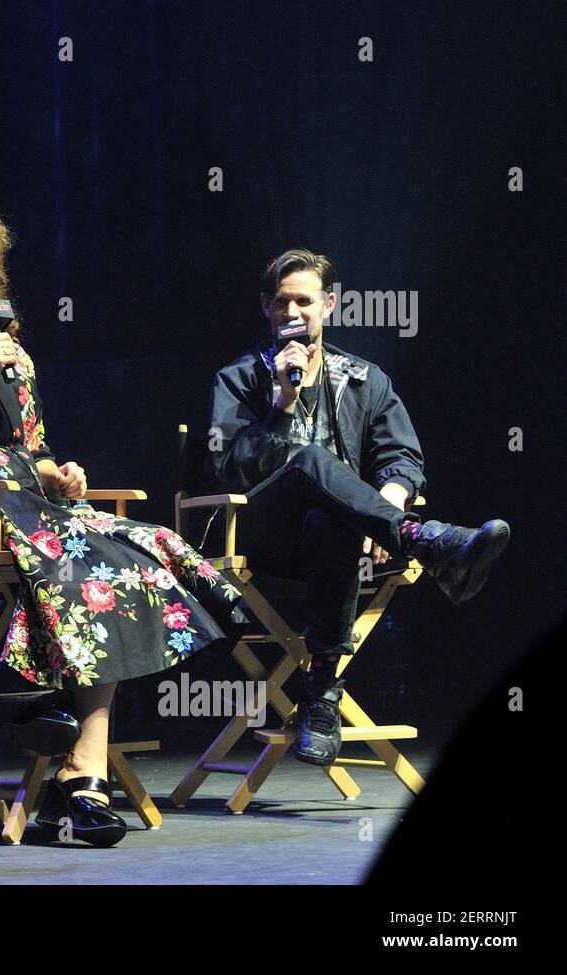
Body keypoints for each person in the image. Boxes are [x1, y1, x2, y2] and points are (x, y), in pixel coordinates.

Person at [0, 192, 245, 846]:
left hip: (32, 505)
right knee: (87, 570)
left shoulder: (15, 349)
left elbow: (34, 449)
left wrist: (57, 471)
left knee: (137, 549)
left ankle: (78, 770)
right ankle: (74, 772)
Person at [208, 248, 509, 765]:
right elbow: (231, 469)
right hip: (261, 536)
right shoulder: (238, 378)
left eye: (304, 301)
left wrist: (384, 502)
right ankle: (425, 541)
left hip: (340, 541)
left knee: (331, 517)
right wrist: (281, 399)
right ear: (265, 307)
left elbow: (402, 457)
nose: (293, 314)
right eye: (281, 303)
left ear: (330, 304)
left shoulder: (366, 379)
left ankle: (321, 690)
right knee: (306, 460)